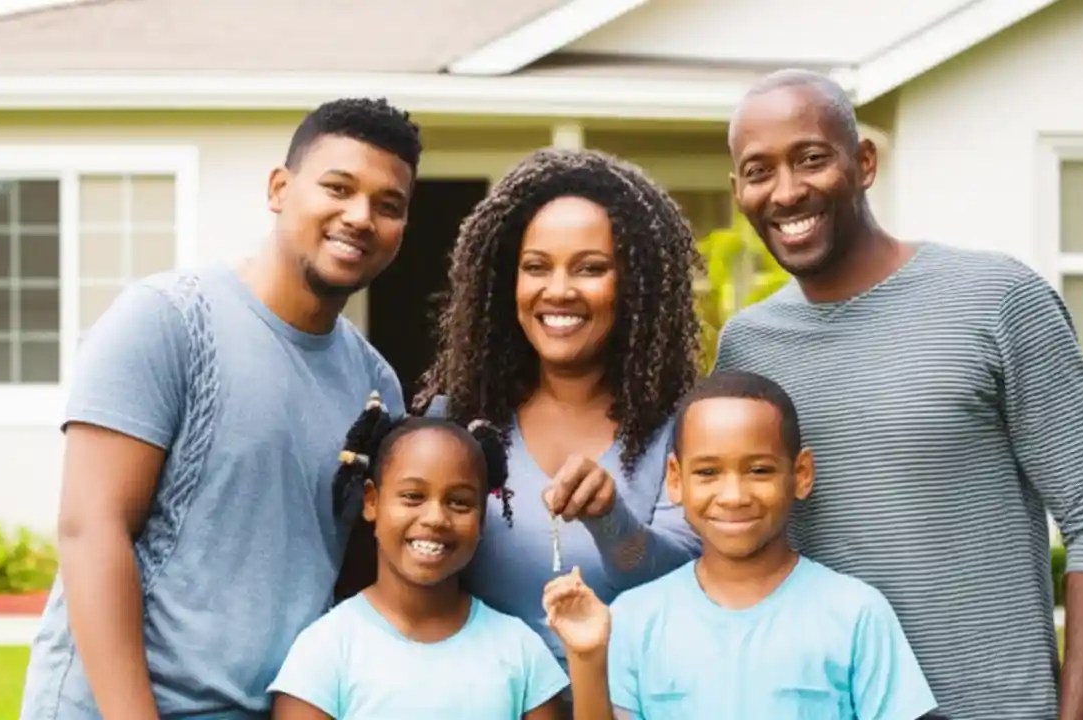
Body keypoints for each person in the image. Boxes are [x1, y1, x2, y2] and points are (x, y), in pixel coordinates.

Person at [715, 68, 1083, 719]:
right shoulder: (747, 348)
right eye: (758, 170)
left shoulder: (996, 300)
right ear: (738, 190)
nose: (787, 191)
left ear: (863, 162)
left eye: (811, 159)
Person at [19, 98, 421, 720]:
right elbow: (91, 530)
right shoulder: (166, 319)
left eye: (388, 205)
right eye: (338, 187)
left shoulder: (376, 387)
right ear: (280, 189)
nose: (360, 217)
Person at [404, 148, 703, 665]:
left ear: (634, 284)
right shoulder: (456, 422)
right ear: (505, 283)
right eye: (536, 267)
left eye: (590, 268)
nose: (558, 291)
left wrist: (612, 519)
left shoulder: (683, 426)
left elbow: (685, 581)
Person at [544, 371, 938, 719]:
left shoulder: (856, 613)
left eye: (759, 470)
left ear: (800, 474)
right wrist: (586, 657)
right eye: (708, 472)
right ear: (676, 479)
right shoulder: (636, 617)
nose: (733, 495)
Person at [269, 393, 567, 719]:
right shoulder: (324, 654)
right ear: (371, 501)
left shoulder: (522, 654)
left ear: (481, 518)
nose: (436, 518)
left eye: (459, 502)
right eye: (413, 496)